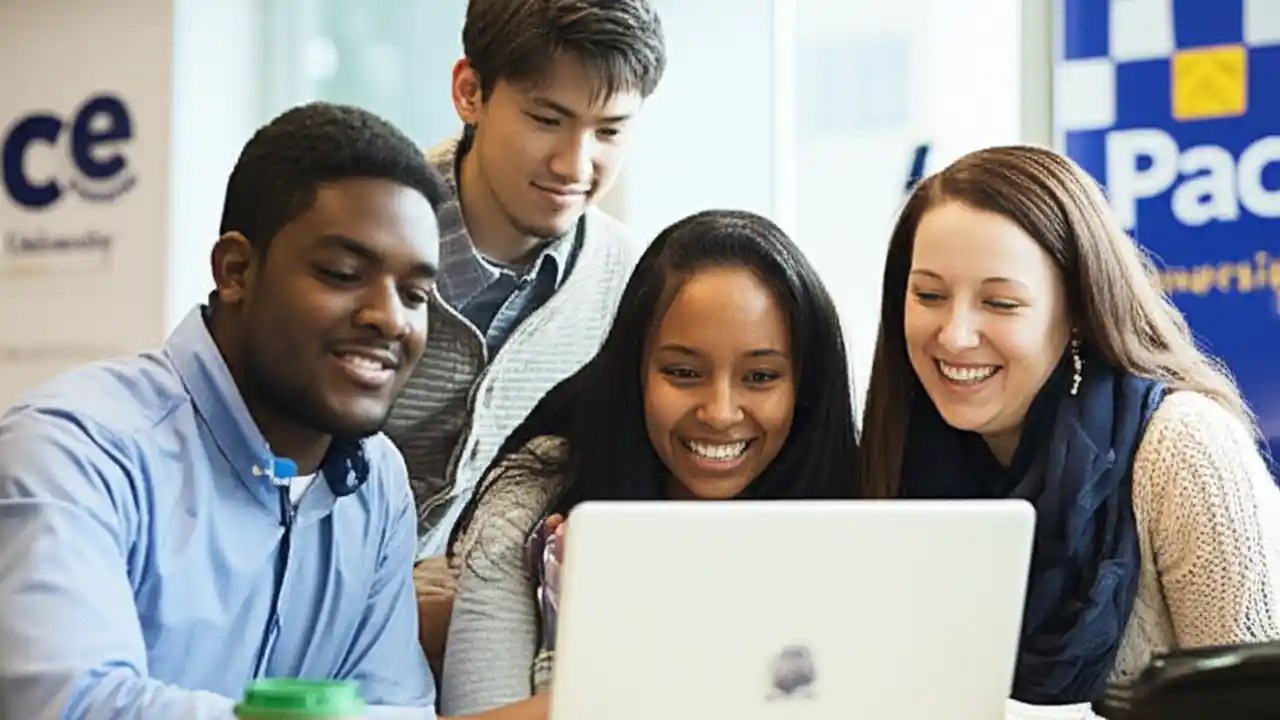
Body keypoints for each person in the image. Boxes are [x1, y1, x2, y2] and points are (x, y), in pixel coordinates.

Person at [0, 102, 546, 720]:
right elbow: (67, 704)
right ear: (236, 270)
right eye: (343, 273)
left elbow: (398, 706)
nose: (390, 318)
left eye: (415, 294)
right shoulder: (74, 449)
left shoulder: (377, 483)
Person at [860, 145, 1280, 705]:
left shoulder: (1183, 449)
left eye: (1001, 303)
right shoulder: (899, 452)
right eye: (929, 295)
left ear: (1079, 311)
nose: (955, 334)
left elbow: (1258, 704)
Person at [436, 209, 862, 716]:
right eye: (683, 372)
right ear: (634, 369)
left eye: (761, 377)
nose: (721, 413)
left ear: (806, 385)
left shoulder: (857, 505)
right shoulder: (539, 491)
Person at [380, 0, 667, 673]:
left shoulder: (634, 284)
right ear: (469, 92)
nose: (575, 164)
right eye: (547, 120)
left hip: (511, 658)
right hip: (322, 652)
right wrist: (384, 592)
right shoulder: (360, 239)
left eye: (610, 132)